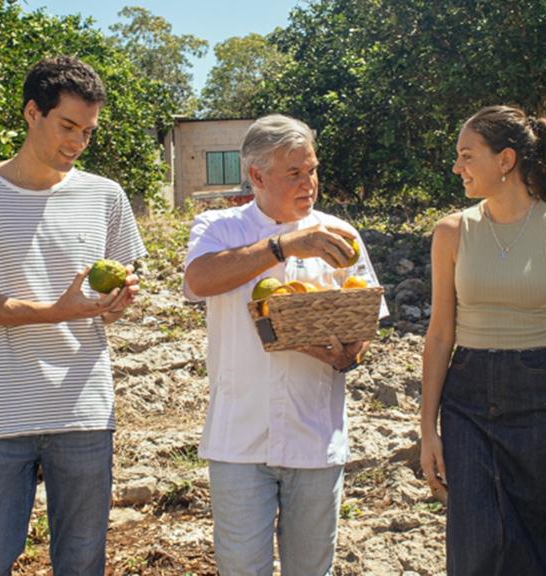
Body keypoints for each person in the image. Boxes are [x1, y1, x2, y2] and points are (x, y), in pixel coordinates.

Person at [0, 55, 146, 575]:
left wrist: (116, 303)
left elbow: (113, 303)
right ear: (32, 112)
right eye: (67, 126)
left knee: (81, 562)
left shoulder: (105, 196)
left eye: (88, 133)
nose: (76, 143)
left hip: (85, 410)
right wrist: (57, 311)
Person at [420, 105, 546, 575]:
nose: (457, 167)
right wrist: (428, 428)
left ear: (505, 160)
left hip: (540, 398)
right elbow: (439, 336)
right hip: (466, 399)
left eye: (467, 155)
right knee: (476, 550)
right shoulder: (451, 232)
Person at [183, 114, 388, 576]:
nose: (308, 183)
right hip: (240, 442)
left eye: (311, 170)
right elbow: (198, 280)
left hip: (315, 440)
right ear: (256, 175)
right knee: (240, 569)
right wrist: (285, 246)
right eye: (294, 173)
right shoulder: (219, 228)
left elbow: (364, 325)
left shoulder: (341, 235)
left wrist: (347, 356)